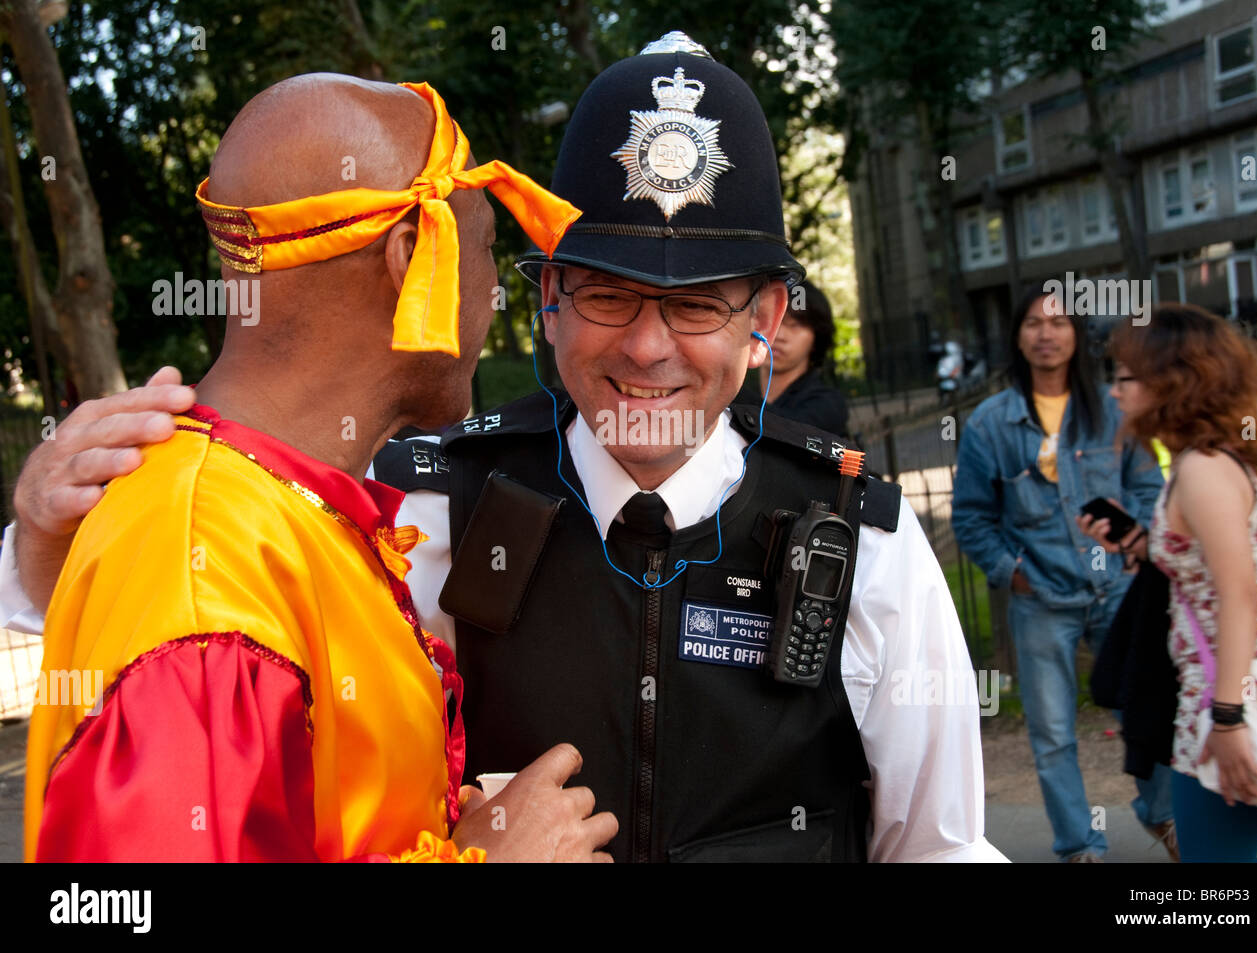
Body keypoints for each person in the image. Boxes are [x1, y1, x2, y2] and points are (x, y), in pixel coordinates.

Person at [4, 35, 1003, 862]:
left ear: (767, 315)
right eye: (608, 294)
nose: (649, 348)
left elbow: (938, 847)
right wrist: (39, 552)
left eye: (698, 303)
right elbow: (204, 608)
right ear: (548, 300)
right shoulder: (421, 501)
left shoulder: (859, 534)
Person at [9, 73, 617, 862]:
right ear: (409, 260)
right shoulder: (210, 581)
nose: (496, 289)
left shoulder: (281, 512)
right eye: (487, 248)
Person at [952, 285, 1174, 863]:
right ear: (1018, 337)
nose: (1045, 334)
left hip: (1119, 591)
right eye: (1032, 323)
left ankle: (1164, 816)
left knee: (1142, 711)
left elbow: (1148, 487)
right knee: (1051, 734)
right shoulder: (990, 422)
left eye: (1057, 322)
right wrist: (1012, 573)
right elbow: (972, 518)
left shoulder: (1112, 407)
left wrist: (1136, 543)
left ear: (1077, 335)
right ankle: (1081, 847)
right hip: (1041, 597)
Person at [1078, 302, 1257, 863]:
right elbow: (1208, 567)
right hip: (1224, 689)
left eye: (1126, 378)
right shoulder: (1211, 462)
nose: (1114, 392)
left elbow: (1239, 592)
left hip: (1228, 693)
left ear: (1172, 383)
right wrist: (1138, 545)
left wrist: (1228, 719)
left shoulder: (1202, 469)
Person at [739, 280, 849, 436]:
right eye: (771, 321)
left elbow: (788, 433)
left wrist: (727, 388)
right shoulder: (748, 387)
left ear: (817, 339)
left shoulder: (827, 404)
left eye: (795, 325)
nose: (778, 335)